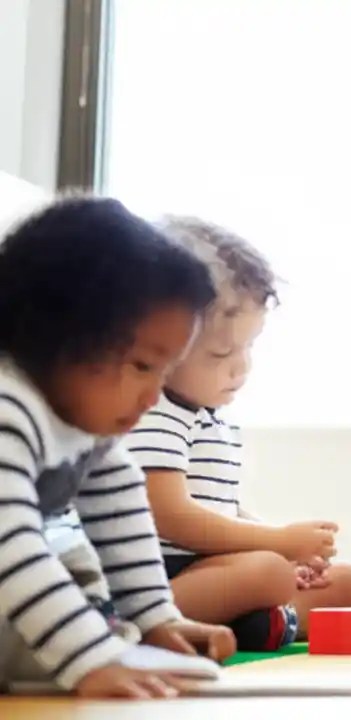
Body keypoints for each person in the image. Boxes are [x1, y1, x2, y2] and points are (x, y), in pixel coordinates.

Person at [0, 196, 235, 699]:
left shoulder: (84, 421)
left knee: (74, 565)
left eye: (165, 373)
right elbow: (9, 544)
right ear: (58, 335)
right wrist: (89, 659)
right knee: (47, 566)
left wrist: (155, 618)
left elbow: (120, 506)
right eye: (142, 367)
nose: (153, 397)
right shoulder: (8, 408)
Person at [126, 216, 351, 651]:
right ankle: (151, 626)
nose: (242, 367)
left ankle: (259, 623)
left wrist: (289, 548)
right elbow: (172, 515)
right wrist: (276, 543)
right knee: (268, 572)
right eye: (221, 353)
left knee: (345, 584)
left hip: (210, 571)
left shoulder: (209, 417)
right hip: (156, 578)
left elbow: (221, 507)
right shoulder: (154, 413)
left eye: (249, 346)